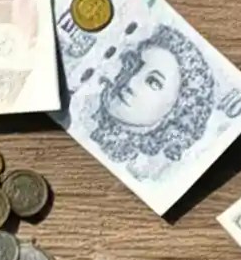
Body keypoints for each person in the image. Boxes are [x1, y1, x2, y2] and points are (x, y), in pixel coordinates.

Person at [86, 24, 216, 167]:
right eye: (132, 65)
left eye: (153, 83)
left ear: (177, 109)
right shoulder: (82, 106)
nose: (131, 82)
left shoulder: (140, 167)